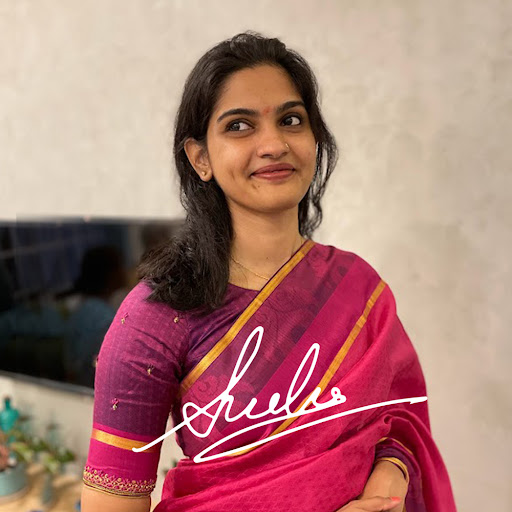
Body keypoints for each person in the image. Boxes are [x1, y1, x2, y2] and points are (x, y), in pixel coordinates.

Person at [81, 31, 457, 512]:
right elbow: (110, 503)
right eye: (240, 126)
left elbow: (400, 421)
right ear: (200, 158)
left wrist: (387, 485)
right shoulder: (156, 317)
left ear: (313, 138)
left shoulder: (360, 289)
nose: (274, 143)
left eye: (291, 120)